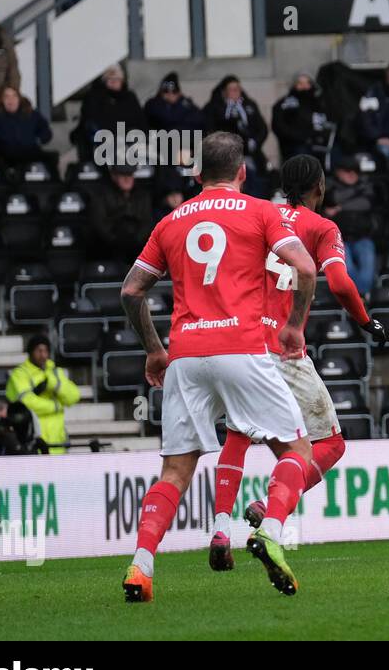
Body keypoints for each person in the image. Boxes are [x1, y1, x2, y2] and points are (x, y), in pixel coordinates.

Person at [118, 132, 318, 602]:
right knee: (298, 450)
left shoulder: (170, 222)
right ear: (242, 173)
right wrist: (293, 326)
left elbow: (130, 291)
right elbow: (306, 269)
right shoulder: (261, 211)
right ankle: (269, 530)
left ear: (195, 175)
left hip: (186, 355)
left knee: (175, 472)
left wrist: (153, 349)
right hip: (243, 347)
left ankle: (141, 566)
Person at [212, 155, 385, 570]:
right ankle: (271, 511)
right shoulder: (322, 227)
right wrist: (365, 321)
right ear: (320, 188)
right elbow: (341, 282)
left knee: (237, 432)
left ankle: (220, 528)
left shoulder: (259, 213)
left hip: (241, 341)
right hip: (284, 348)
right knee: (330, 443)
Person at [5, 334, 80, 455]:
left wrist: (53, 383)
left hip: (57, 442)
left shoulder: (55, 372)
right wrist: (55, 406)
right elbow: (27, 403)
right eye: (39, 351)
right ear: (30, 352)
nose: (43, 355)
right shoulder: (19, 374)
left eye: (46, 351)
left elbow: (74, 396)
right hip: (32, 442)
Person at [322, 156, 378, 296]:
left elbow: (366, 203)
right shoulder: (328, 185)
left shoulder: (365, 184)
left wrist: (340, 207)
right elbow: (333, 198)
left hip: (363, 236)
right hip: (338, 239)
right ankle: (357, 300)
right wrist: (356, 193)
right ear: (338, 172)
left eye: (355, 171)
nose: (352, 174)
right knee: (347, 269)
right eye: (347, 171)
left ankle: (359, 298)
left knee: (368, 269)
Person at [0, 86, 55, 180]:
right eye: (6, 97)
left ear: (19, 98)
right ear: (1, 100)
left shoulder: (31, 113)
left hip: (29, 153)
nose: (11, 100)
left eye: (14, 96)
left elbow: (46, 132)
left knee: (50, 161)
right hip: (3, 155)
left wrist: (38, 139)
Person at [74, 64, 146, 166]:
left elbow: (140, 120)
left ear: (122, 81)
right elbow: (91, 120)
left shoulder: (130, 97)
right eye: (110, 79)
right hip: (104, 142)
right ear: (104, 81)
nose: (113, 82)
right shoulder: (94, 98)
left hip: (128, 140)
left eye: (117, 79)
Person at [203, 75, 269, 187]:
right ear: (224, 92)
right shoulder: (214, 108)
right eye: (232, 89)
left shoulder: (249, 105)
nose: (235, 92)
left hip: (250, 152)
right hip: (225, 152)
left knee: (258, 177)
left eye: (237, 89)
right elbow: (210, 128)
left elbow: (262, 128)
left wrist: (255, 142)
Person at [89, 166, 153, 261]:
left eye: (130, 175)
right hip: (110, 251)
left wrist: (136, 241)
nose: (127, 179)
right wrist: (117, 241)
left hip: (138, 250)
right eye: (123, 175)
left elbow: (148, 222)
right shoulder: (101, 196)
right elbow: (100, 224)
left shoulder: (143, 196)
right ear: (114, 176)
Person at [272, 72, 334, 161]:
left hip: (322, 146)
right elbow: (279, 126)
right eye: (300, 83)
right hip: (296, 148)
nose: (304, 86)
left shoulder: (321, 103)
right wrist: (300, 138)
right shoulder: (286, 104)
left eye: (307, 83)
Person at [143, 72, 203, 140]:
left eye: (174, 91)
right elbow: (167, 119)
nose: (171, 94)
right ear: (161, 92)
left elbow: (199, 119)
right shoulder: (153, 104)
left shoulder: (184, 103)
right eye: (166, 91)